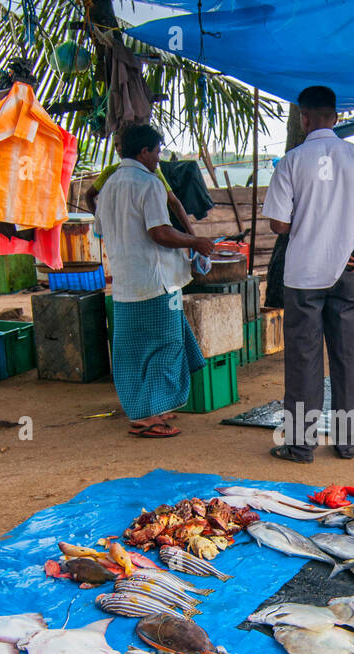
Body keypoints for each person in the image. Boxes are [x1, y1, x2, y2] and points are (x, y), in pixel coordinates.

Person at [262, 85, 354, 462]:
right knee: (346, 355)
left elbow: (277, 223)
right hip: (347, 266)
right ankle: (348, 442)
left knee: (304, 360)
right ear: (336, 117)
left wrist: (306, 220)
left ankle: (300, 445)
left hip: (304, 273)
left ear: (303, 118)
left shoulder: (291, 161)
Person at [96, 124, 215, 438]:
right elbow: (159, 232)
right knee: (168, 346)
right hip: (158, 282)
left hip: (124, 284)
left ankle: (147, 407)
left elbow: (99, 229)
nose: (159, 158)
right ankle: (151, 417)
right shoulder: (148, 184)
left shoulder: (109, 186)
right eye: (157, 152)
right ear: (143, 151)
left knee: (132, 351)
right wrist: (195, 242)